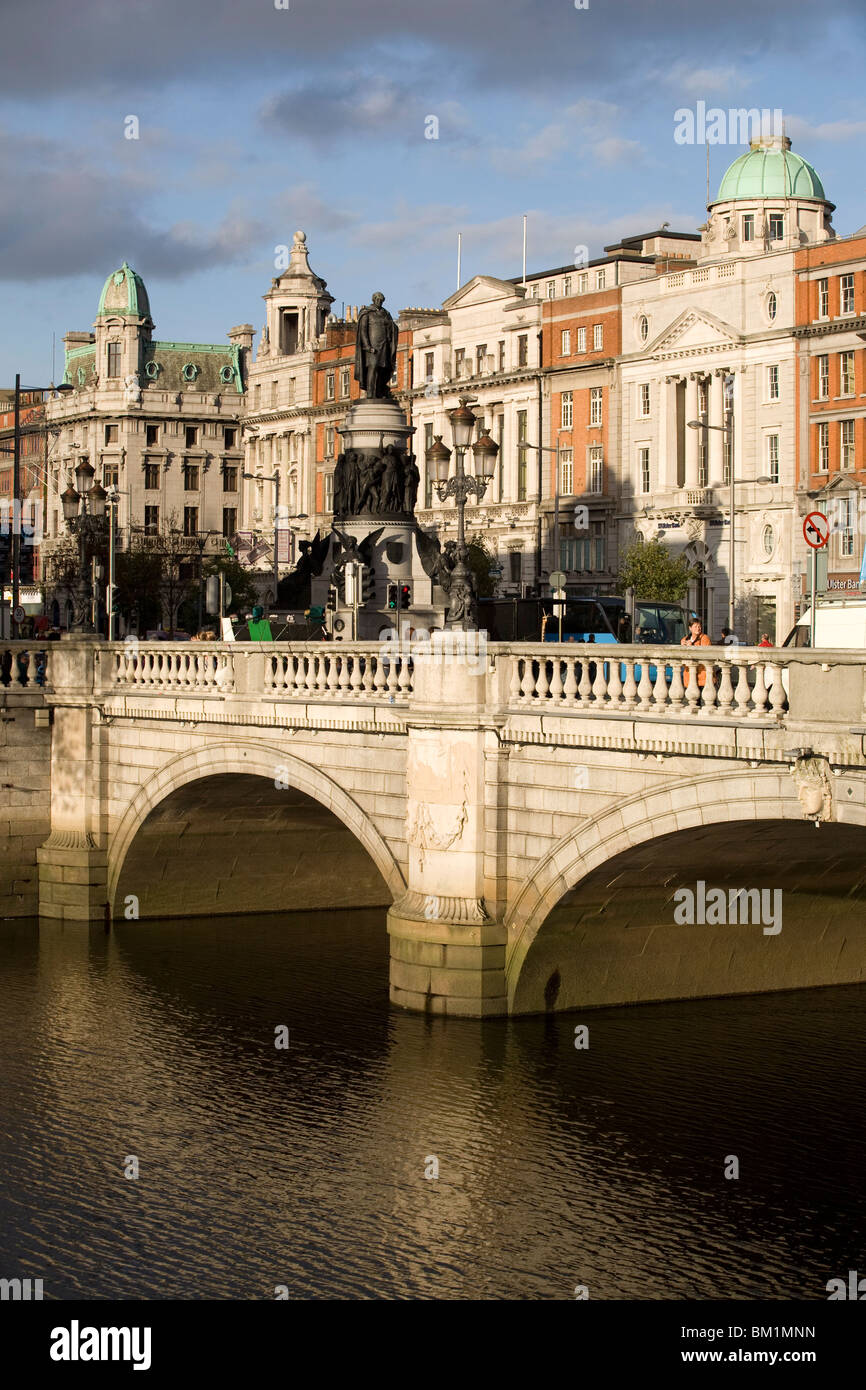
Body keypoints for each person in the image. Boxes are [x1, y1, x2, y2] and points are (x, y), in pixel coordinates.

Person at [681, 617, 711, 687]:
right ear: (690, 628)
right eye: (695, 626)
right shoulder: (684, 639)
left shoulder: (704, 638)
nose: (698, 628)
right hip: (688, 675)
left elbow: (706, 654)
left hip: (702, 676)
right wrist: (682, 647)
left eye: (699, 626)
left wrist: (692, 646)